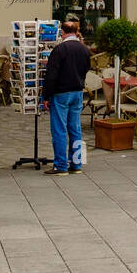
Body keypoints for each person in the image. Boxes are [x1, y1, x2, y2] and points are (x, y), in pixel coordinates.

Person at [42, 19, 91, 174]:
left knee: (59, 130)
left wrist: (46, 96)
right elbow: (86, 69)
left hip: (61, 93)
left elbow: (51, 75)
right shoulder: (84, 49)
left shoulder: (60, 49)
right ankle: (77, 164)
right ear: (76, 32)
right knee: (75, 128)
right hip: (77, 92)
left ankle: (61, 165)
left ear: (62, 32)